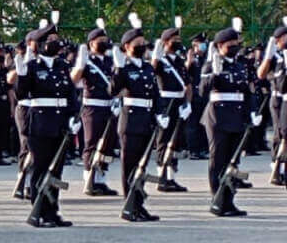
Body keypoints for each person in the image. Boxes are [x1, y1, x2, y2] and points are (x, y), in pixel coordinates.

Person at [14, 21, 78, 227]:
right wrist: (21, 76)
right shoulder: (32, 67)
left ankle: (52, 210)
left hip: (60, 122)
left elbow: (70, 93)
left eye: (56, 40)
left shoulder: (62, 66)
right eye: (50, 40)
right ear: (40, 45)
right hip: (40, 123)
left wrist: (73, 116)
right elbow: (22, 94)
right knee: (41, 168)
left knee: (56, 170)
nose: (55, 43)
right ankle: (38, 210)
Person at [200, 23, 260, 216]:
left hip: (238, 116)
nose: (234, 47)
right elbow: (202, 90)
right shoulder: (211, 64)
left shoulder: (240, 64)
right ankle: (217, 199)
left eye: (236, 43)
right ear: (219, 46)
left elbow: (248, 91)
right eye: (230, 44)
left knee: (233, 162)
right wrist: (214, 75)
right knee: (218, 159)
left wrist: (252, 111)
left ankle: (229, 200)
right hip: (218, 117)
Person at [110, 24, 162, 221]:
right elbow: (113, 90)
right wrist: (118, 69)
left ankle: (139, 204)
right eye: (137, 44)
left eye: (143, 43)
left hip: (146, 119)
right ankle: (130, 204)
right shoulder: (124, 68)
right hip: (130, 120)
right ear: (126, 47)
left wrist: (160, 112)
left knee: (142, 165)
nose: (142, 46)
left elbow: (155, 93)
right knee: (130, 164)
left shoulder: (148, 67)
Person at [70, 21, 118, 196]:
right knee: (91, 143)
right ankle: (89, 179)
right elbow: (73, 81)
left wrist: (117, 100)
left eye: (105, 39)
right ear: (91, 43)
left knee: (107, 144)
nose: (104, 43)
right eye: (100, 40)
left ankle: (101, 179)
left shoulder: (110, 61)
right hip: (92, 107)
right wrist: (79, 65)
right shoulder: (87, 62)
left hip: (109, 107)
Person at [152, 20, 192, 192]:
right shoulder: (162, 61)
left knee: (175, 141)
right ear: (166, 42)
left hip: (178, 103)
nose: (178, 41)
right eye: (174, 39)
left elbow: (187, 84)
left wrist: (187, 103)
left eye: (178, 38)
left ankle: (171, 176)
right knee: (163, 140)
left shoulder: (179, 62)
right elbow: (151, 71)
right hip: (165, 103)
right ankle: (161, 177)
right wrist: (155, 56)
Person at [257, 22, 287, 185]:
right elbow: (261, 74)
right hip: (278, 98)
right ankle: (277, 166)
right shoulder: (273, 56)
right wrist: (268, 56)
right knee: (279, 134)